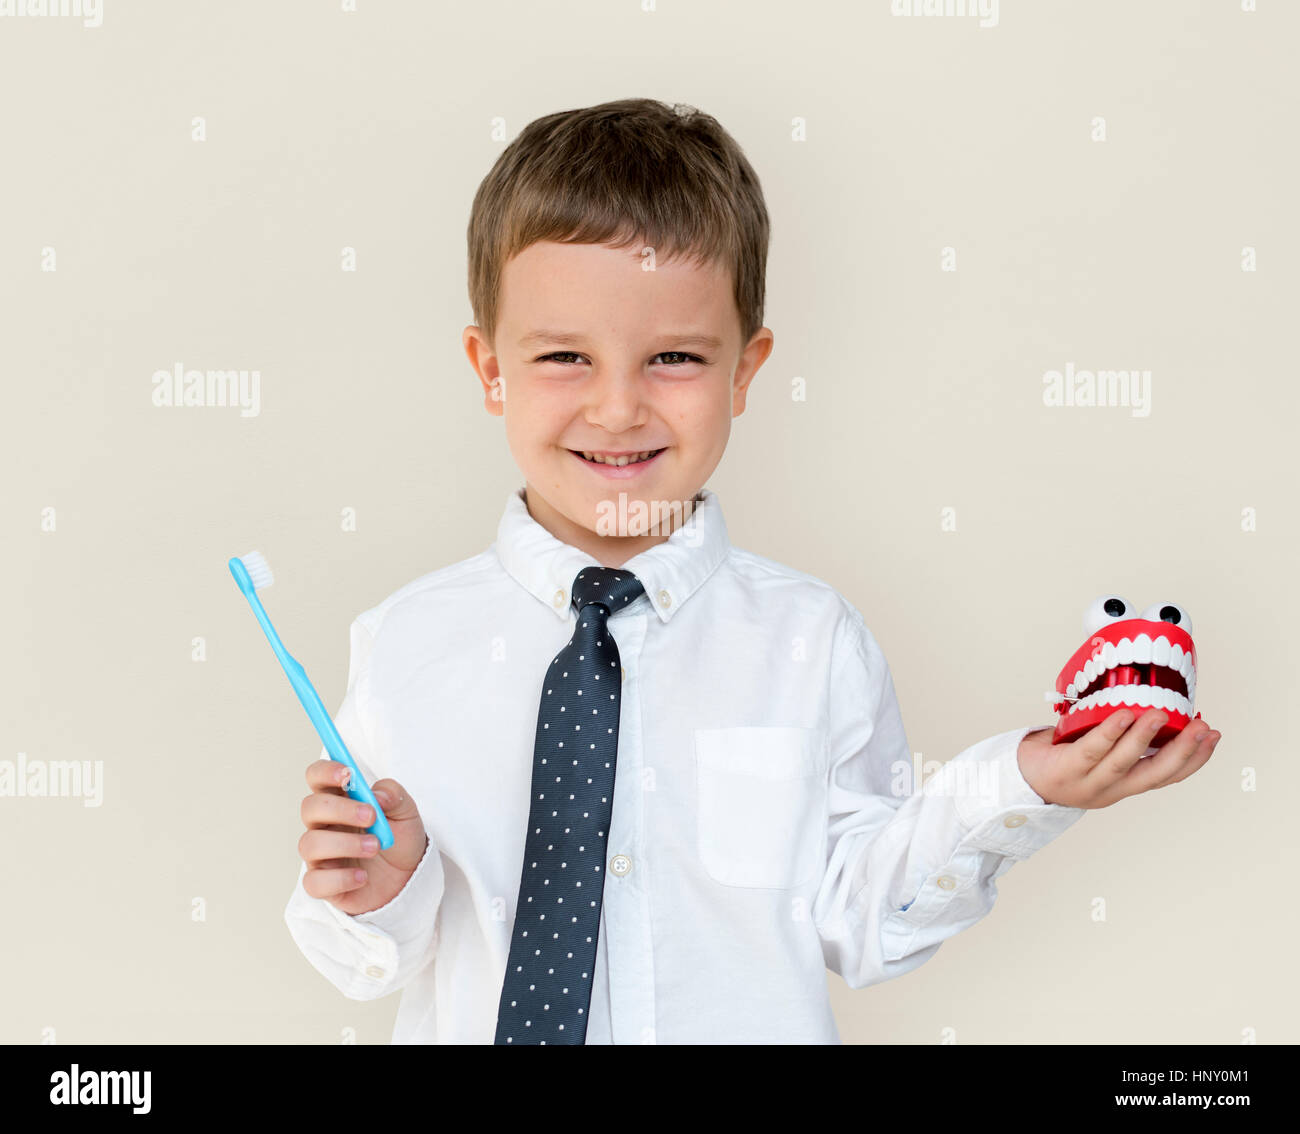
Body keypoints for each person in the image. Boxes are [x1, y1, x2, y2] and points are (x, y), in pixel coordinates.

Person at [283, 97, 1221, 1044]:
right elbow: (366, 959)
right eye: (564, 355)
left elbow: (862, 920)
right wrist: (377, 894)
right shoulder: (404, 641)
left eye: (675, 357)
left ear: (745, 368)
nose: (617, 409)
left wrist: (1016, 790)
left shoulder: (811, 641)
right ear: (490, 369)